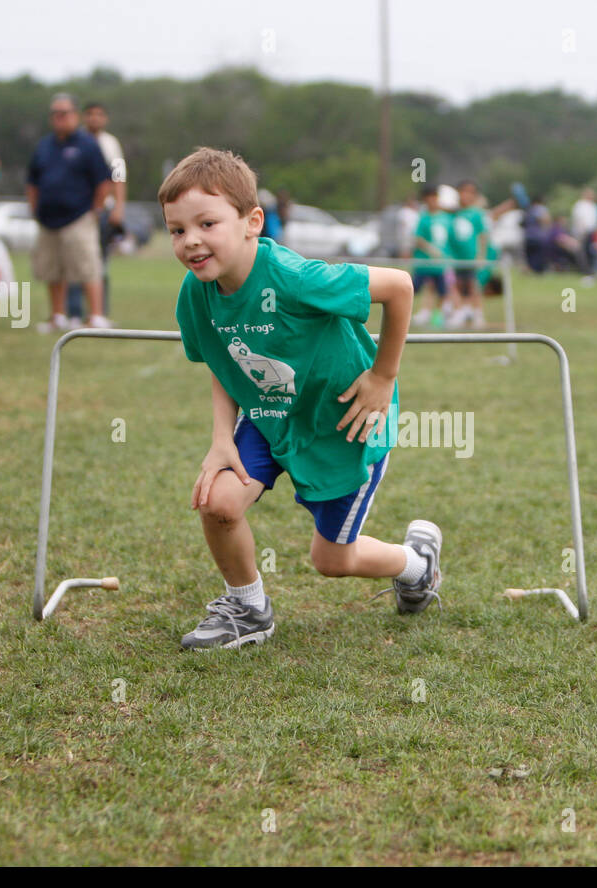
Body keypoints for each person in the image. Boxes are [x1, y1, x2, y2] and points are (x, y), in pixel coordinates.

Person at [158, 147, 442, 650]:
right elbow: (223, 361)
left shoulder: (294, 277)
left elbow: (399, 285)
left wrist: (383, 376)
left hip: (345, 425)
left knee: (331, 561)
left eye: (207, 223)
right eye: (178, 230)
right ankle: (248, 609)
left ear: (252, 221)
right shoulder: (195, 292)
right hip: (270, 420)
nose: (192, 241)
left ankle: (416, 565)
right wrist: (222, 438)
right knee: (217, 501)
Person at [27, 93, 112, 333]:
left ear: (75, 115)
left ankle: (95, 316)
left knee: (87, 266)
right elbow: (32, 179)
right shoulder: (44, 145)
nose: (59, 118)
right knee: (52, 268)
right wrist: (34, 207)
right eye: (55, 114)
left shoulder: (87, 144)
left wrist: (96, 209)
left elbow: (104, 180)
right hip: (47, 219)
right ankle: (58, 316)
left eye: (64, 113)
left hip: (78, 216)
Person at [66, 102, 125, 322]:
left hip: (103, 211)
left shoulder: (111, 144)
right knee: (74, 262)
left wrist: (118, 207)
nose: (94, 118)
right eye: (90, 114)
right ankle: (74, 312)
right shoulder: (75, 141)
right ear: (83, 117)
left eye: (99, 114)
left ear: (106, 118)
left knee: (101, 263)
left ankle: (99, 313)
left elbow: (119, 177)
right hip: (79, 210)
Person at [448, 179, 488, 329]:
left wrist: (481, 255)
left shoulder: (477, 214)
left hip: (472, 257)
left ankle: (477, 313)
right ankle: (459, 312)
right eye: (463, 192)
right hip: (456, 258)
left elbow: (482, 236)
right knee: (455, 285)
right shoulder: (454, 214)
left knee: (474, 286)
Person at [410, 184, 451, 328]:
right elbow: (417, 237)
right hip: (424, 262)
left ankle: (437, 315)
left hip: (440, 264)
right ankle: (420, 313)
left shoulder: (445, 218)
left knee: (441, 290)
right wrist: (430, 249)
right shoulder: (423, 218)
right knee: (416, 289)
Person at [570, 186, 597, 274]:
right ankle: (583, 270)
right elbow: (578, 219)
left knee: (590, 252)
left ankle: (590, 269)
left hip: (591, 232)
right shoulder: (580, 205)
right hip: (582, 232)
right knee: (582, 252)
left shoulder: (593, 205)